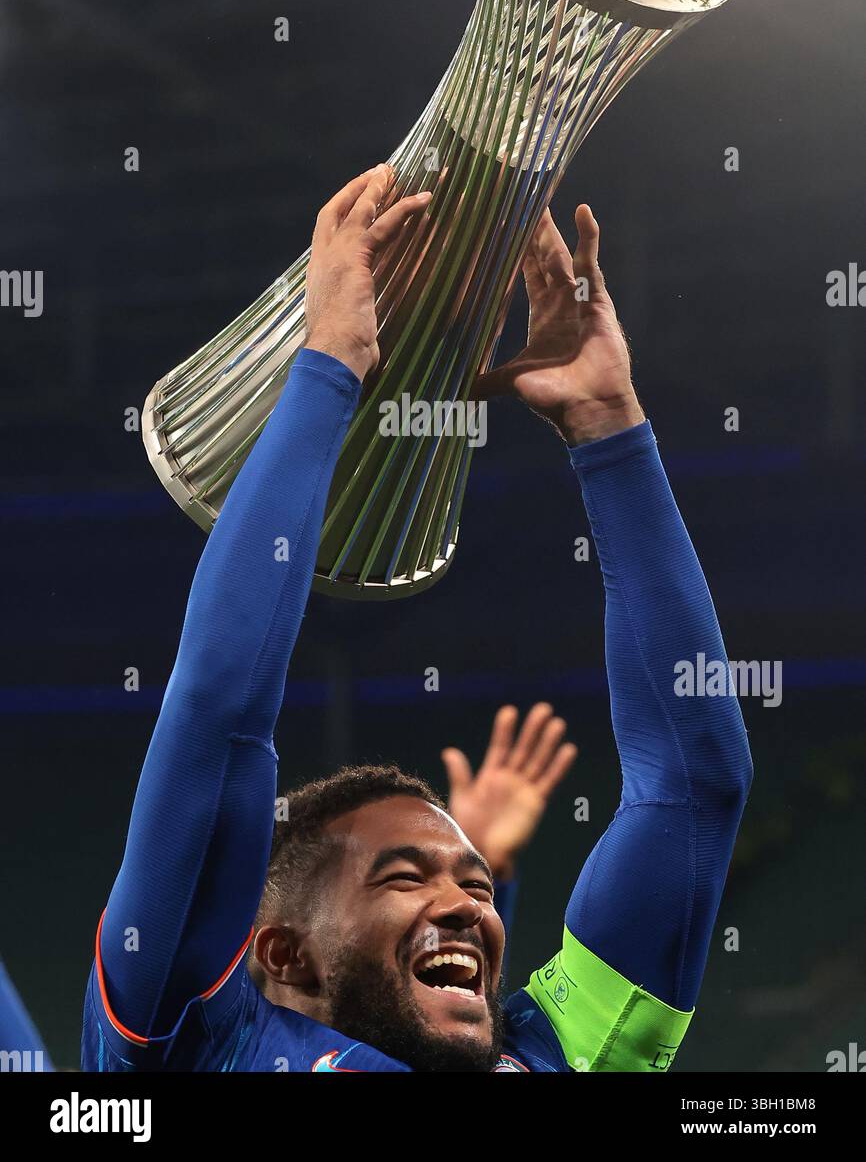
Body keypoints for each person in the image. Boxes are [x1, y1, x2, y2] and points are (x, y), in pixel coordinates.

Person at [82, 163, 752, 1072]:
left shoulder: (545, 1055)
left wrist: (608, 425)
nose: (469, 905)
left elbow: (694, 786)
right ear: (284, 954)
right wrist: (329, 366)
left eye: (475, 883)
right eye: (405, 876)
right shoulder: (210, 1044)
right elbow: (218, 717)